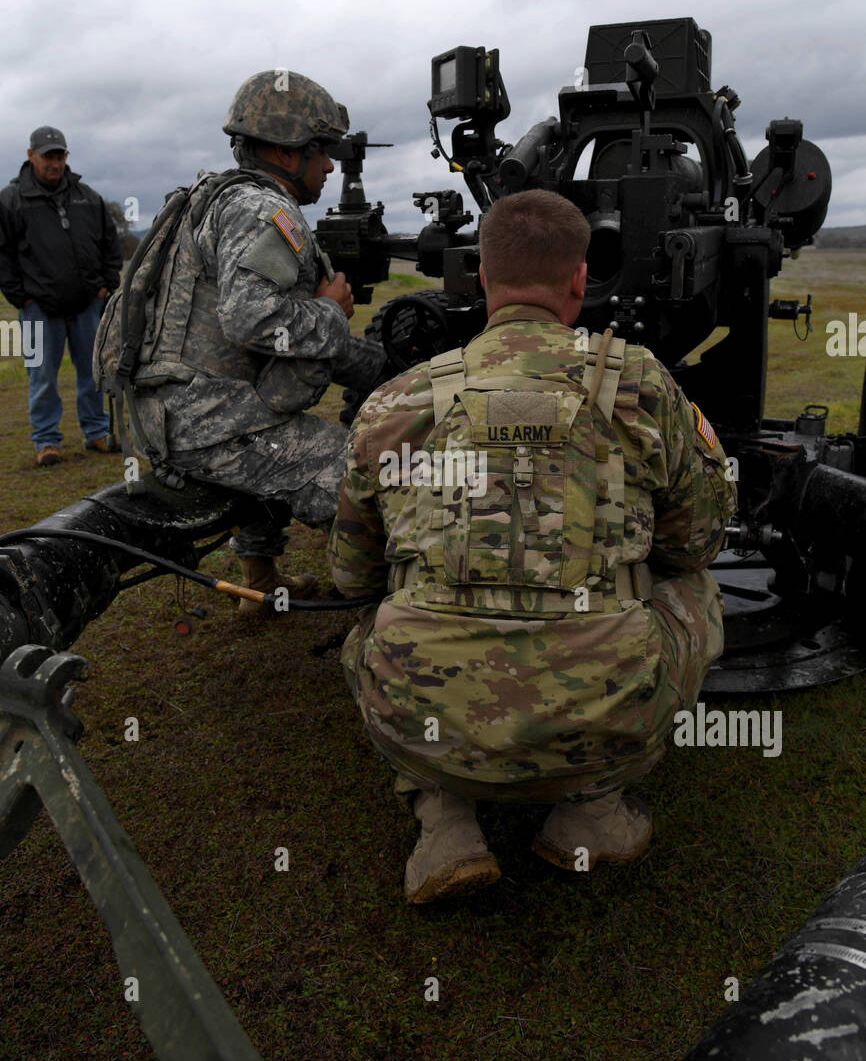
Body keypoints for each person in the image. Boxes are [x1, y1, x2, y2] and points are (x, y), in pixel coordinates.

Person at [328, 189, 737, 904]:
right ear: (581, 279)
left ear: (481, 278)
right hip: (604, 712)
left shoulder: (397, 401)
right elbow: (697, 543)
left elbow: (350, 575)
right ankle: (593, 811)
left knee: (369, 624)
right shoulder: (642, 385)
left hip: (423, 718)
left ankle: (444, 821)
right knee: (699, 593)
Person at [97, 71, 386, 612]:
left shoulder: (216, 199)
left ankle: (258, 579)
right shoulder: (263, 212)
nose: (329, 164)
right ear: (282, 150)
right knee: (367, 475)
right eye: (320, 149)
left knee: (270, 423)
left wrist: (378, 365)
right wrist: (330, 311)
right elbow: (252, 320)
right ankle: (381, 606)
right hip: (205, 425)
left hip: (167, 416)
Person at [0, 127, 121, 466]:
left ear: (66, 157)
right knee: (41, 375)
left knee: (92, 372)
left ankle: (96, 432)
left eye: (59, 156)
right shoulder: (10, 201)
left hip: (87, 305)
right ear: (31, 155)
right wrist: (19, 297)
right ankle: (46, 441)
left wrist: (105, 285)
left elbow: (109, 244)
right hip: (38, 307)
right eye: (47, 156)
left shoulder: (88, 197)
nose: (54, 163)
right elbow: (3, 254)